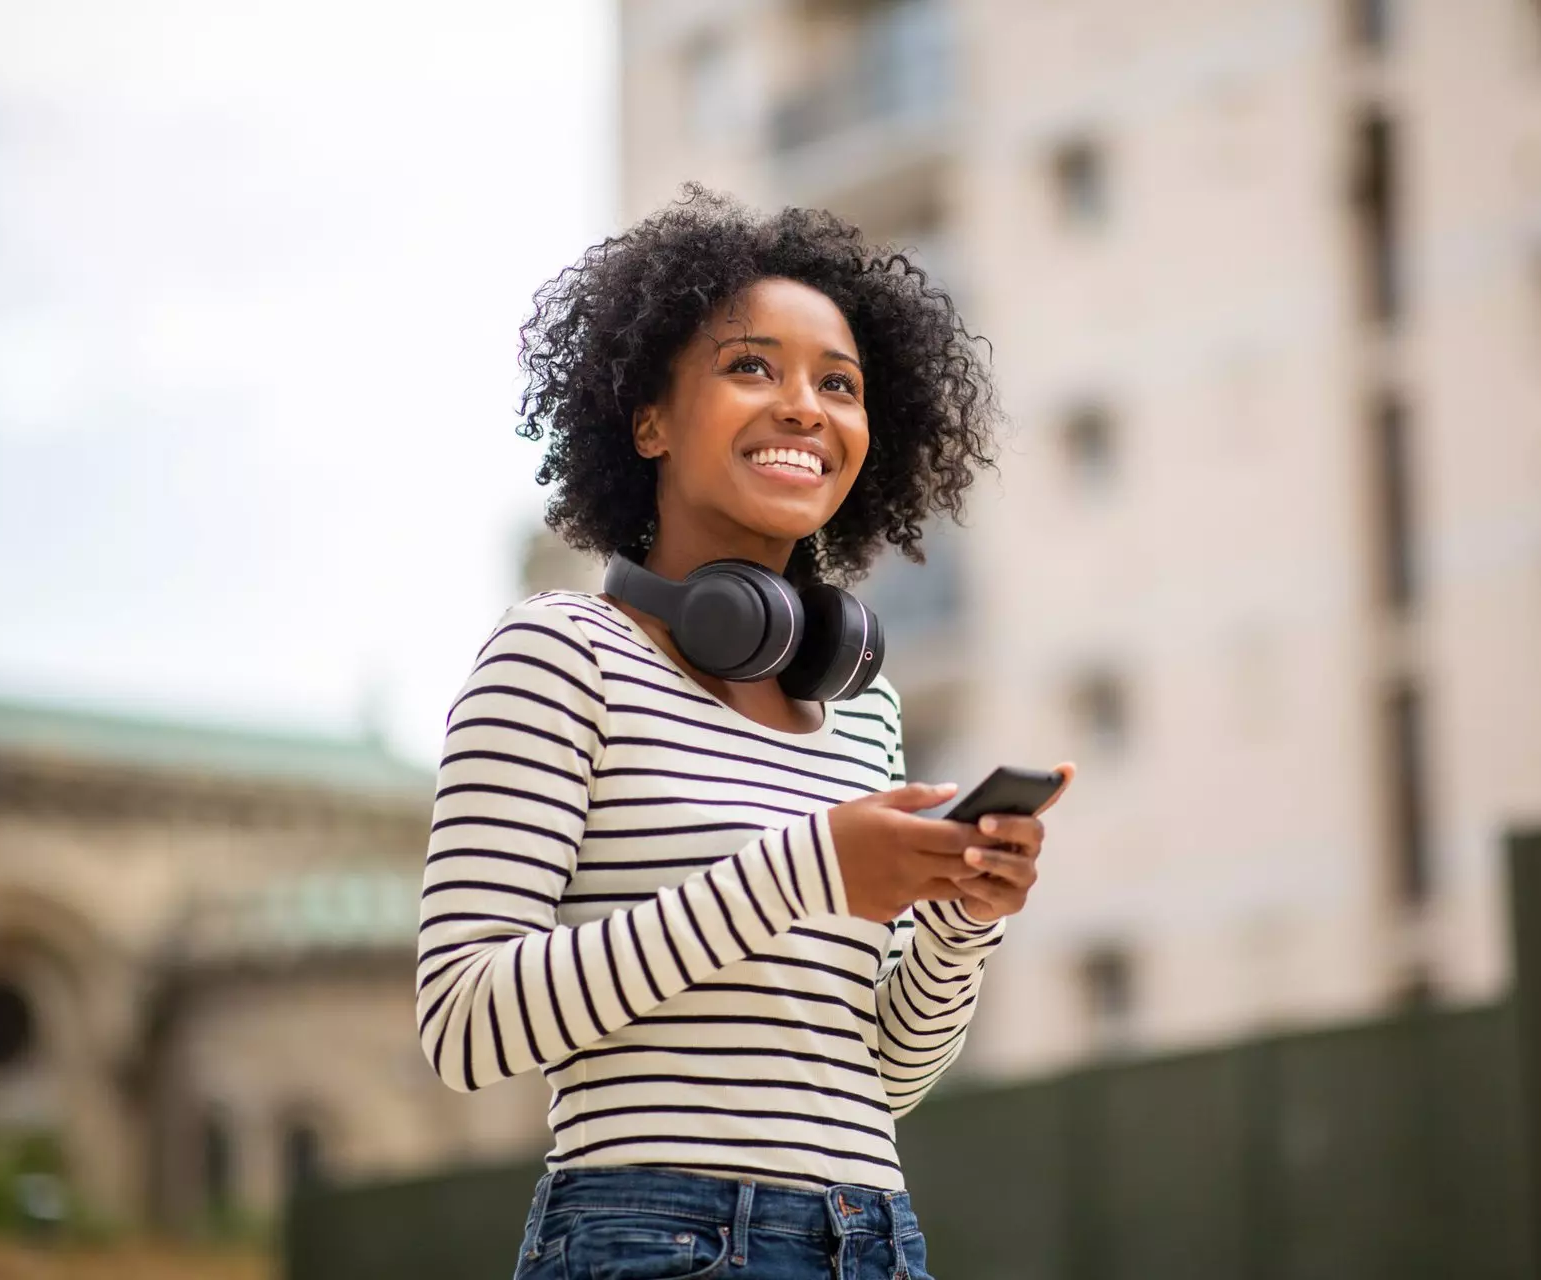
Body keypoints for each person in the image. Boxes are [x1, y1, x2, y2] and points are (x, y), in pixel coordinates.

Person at [415, 186, 1073, 1280]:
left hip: (873, 1235)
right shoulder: (559, 654)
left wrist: (961, 921)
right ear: (649, 417)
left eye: (840, 383)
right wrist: (810, 866)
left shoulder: (863, 706)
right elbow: (469, 1024)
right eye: (752, 366)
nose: (805, 406)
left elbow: (879, 1071)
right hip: (651, 1231)